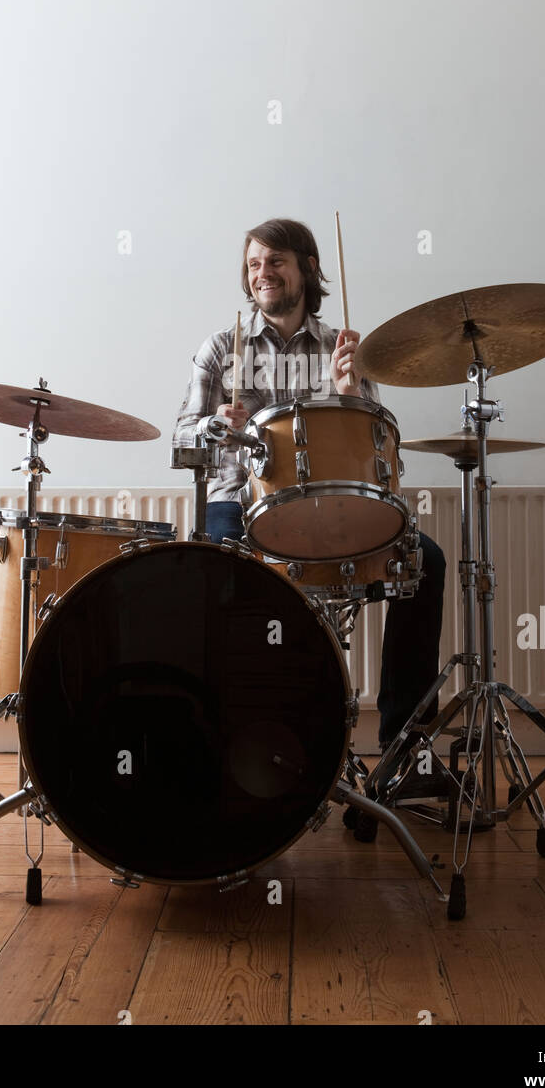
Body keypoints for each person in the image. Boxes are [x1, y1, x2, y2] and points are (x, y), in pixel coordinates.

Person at [173, 217, 445, 753]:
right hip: (240, 503)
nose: (262, 273)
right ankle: (227, 742)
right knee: (209, 569)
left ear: (309, 269)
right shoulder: (221, 347)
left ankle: (404, 750)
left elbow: (378, 448)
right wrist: (212, 426)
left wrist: (353, 392)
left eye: (275, 261)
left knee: (425, 562)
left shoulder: (342, 348)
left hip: (334, 506)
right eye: (254, 264)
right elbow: (180, 441)